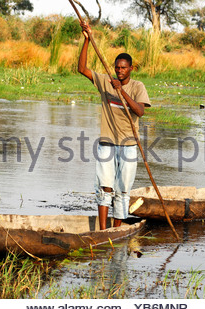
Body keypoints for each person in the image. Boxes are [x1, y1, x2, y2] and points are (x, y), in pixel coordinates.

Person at [77, 21, 151, 230]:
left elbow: (140, 111)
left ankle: (117, 230)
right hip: (107, 143)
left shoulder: (137, 87)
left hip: (128, 145)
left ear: (130, 69)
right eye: (117, 68)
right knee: (104, 187)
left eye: (123, 68)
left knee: (122, 190)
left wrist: (121, 91)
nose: (119, 71)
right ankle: (103, 231)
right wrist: (87, 40)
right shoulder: (105, 81)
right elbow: (82, 69)